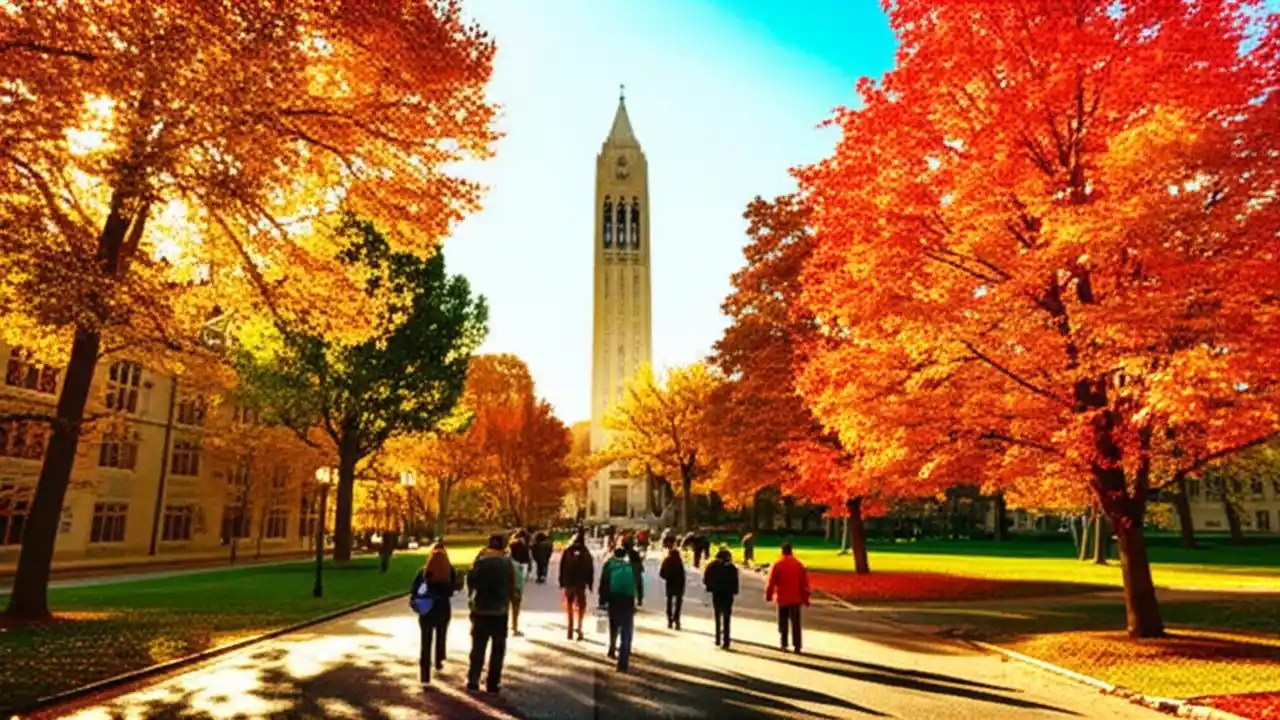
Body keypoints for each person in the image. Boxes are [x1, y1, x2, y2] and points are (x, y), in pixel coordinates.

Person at [466, 533, 516, 694]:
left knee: (478, 647)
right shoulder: (507, 563)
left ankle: (473, 680)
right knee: (498, 649)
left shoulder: (480, 561)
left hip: (481, 609)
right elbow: (512, 586)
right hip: (500, 610)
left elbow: (471, 581)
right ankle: (492, 683)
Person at [409, 540, 457, 686]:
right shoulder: (449, 571)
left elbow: (414, 590)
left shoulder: (424, 572)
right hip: (443, 608)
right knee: (441, 636)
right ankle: (438, 659)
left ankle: (425, 675)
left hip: (426, 609)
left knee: (425, 642)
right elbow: (452, 590)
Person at [599, 544, 643, 672]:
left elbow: (604, 583)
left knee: (613, 624)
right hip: (628, 600)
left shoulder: (609, 565)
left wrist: (602, 601)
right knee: (626, 630)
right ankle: (623, 663)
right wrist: (639, 599)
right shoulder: (632, 566)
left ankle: (612, 648)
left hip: (613, 599)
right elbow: (639, 583)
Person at [765, 542, 811, 653]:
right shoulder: (798, 564)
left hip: (782, 598)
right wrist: (805, 598)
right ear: (791, 551)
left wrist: (769, 595)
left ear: (782, 551)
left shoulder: (777, 564)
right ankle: (797, 645)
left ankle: (784, 644)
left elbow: (771, 581)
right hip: (795, 598)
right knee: (796, 623)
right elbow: (804, 583)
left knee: (783, 622)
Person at [559, 530, 595, 640]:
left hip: (569, 583)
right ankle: (579, 628)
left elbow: (562, 567)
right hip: (580, 584)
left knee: (569, 606)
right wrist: (590, 583)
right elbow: (590, 569)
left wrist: (562, 582)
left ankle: (570, 629)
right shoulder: (586, 552)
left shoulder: (567, 551)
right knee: (581, 607)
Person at [702, 548, 739, 650]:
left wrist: (710, 587)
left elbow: (706, 578)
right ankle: (726, 640)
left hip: (717, 594)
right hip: (728, 595)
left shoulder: (712, 566)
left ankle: (718, 637)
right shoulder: (732, 568)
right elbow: (735, 581)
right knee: (727, 618)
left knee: (718, 616)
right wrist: (734, 591)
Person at [507, 530, 531, 635]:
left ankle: (508, 626)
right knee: (516, 605)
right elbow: (527, 560)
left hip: (508, 579)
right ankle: (514, 627)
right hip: (518, 576)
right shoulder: (523, 547)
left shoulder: (509, 551)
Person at [658, 543, 686, 630]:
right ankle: (677, 620)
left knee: (669, 601)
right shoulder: (679, 561)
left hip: (670, 583)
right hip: (679, 584)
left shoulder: (667, 560)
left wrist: (667, 577)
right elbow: (682, 575)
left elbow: (661, 573)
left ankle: (669, 620)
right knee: (678, 603)